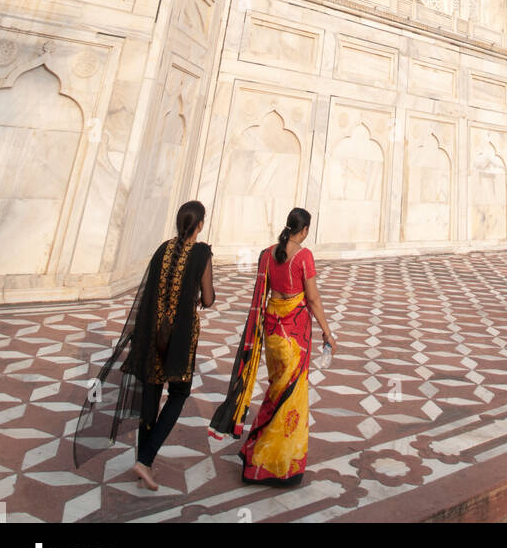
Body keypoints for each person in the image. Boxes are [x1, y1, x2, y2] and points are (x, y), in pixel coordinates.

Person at [74, 200, 215, 490]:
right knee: (178, 393)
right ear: (199, 225)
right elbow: (209, 298)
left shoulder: (163, 249)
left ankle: (144, 461)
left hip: (153, 334)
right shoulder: (201, 253)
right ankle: (146, 459)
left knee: (150, 394)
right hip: (180, 338)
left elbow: (150, 293)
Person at [210, 207, 334, 486]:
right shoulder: (303, 256)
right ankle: (272, 461)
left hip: (273, 330)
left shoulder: (267, 254)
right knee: (289, 395)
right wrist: (328, 333)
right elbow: (313, 299)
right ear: (304, 230)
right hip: (294, 335)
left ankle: (257, 448)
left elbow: (263, 294)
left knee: (277, 389)